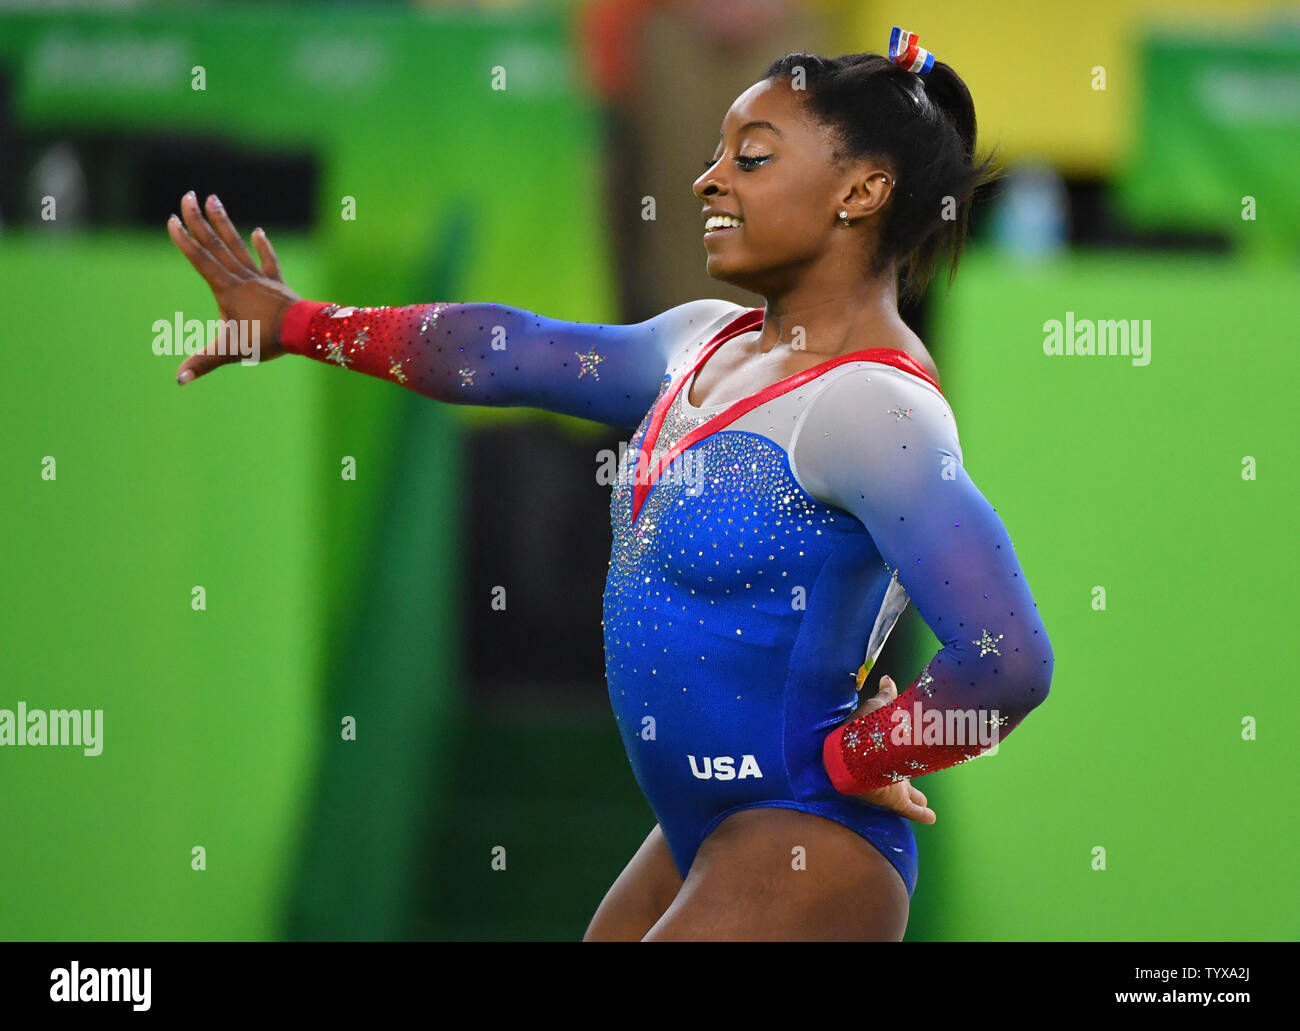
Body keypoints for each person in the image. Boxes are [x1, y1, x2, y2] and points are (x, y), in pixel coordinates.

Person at [168, 30, 1054, 941]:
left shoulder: (873, 409)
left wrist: (858, 757)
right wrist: (301, 322)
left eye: (750, 158)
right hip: (704, 827)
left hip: (806, 834)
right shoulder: (701, 340)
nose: (710, 180)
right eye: (715, 155)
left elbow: (1011, 661)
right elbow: (505, 350)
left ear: (861, 191)